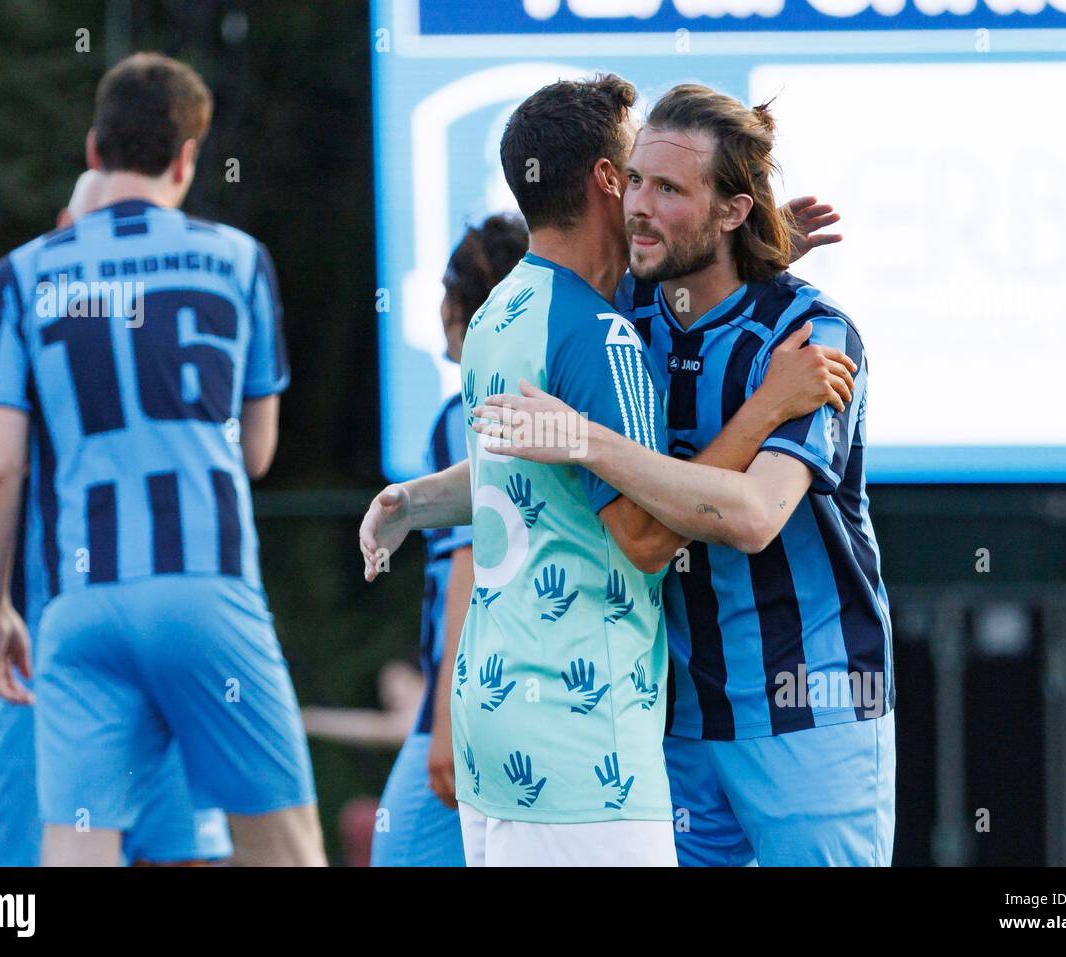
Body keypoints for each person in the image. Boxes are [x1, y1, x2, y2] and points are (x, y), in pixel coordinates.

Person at [360, 75, 852, 866]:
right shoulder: (607, 339)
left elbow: (510, 473)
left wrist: (416, 500)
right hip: (582, 738)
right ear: (606, 181)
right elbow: (646, 537)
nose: (645, 200)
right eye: (637, 173)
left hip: (495, 710)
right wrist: (763, 407)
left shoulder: (501, 311)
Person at [0, 52, 322, 866]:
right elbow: (257, 450)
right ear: (188, 158)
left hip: (81, 605)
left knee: (77, 848)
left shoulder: (22, 274)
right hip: (206, 589)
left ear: (94, 150)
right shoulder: (238, 257)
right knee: (287, 848)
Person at [0, 170, 233, 866]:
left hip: (66, 637)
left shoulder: (23, 304)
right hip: (139, 627)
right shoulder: (17, 314)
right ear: (65, 224)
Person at [371, 213, 528, 867]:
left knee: (399, 848)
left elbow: (471, 570)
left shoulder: (465, 409)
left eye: (446, 287)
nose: (436, 306)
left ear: (471, 302)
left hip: (472, 703)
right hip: (535, 696)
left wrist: (445, 725)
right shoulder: (540, 394)